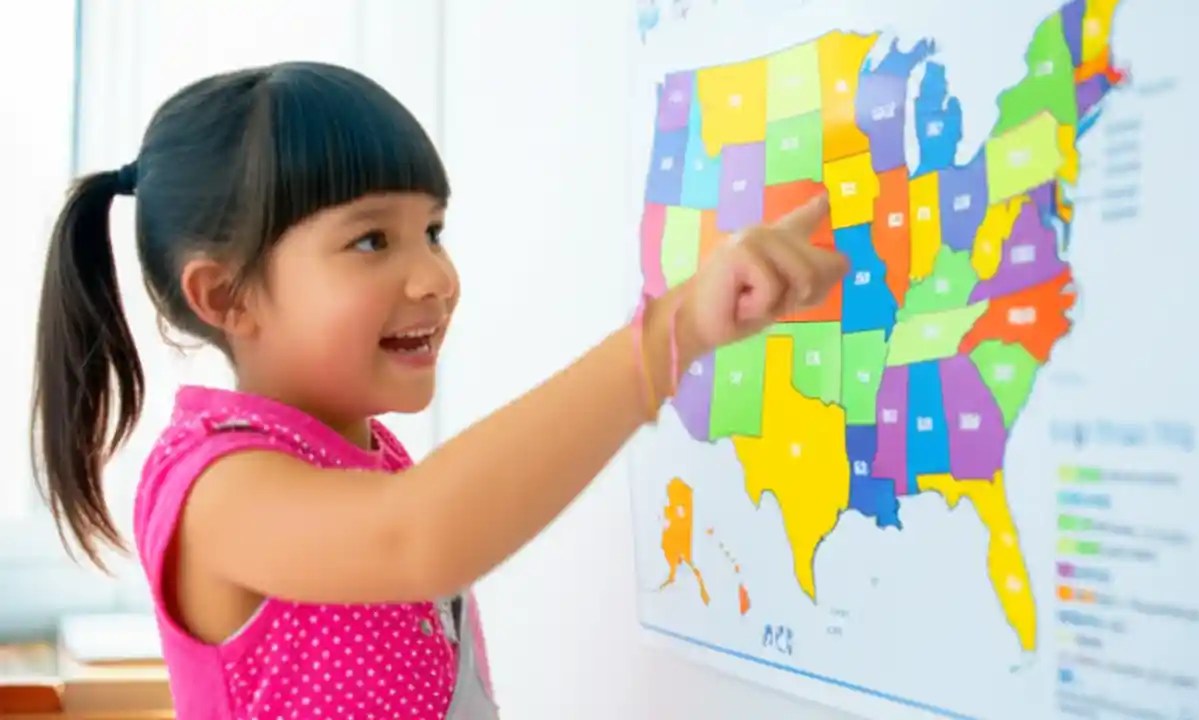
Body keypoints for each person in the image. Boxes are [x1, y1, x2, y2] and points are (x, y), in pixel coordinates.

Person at [30, 61, 848, 719]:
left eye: (433, 231)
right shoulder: (216, 489)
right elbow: (419, 537)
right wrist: (670, 338)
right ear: (225, 297)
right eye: (371, 239)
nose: (435, 276)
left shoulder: (363, 457)